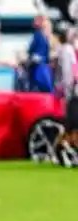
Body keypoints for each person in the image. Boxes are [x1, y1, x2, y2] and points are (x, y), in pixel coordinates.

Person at [57, 27, 77, 164]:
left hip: (73, 92)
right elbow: (67, 74)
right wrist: (68, 90)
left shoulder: (69, 50)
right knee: (72, 125)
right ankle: (62, 150)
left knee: (72, 126)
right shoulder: (67, 50)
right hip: (73, 93)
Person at [26, 14, 54, 93]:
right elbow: (33, 51)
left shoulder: (41, 36)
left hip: (41, 66)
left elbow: (31, 49)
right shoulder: (39, 35)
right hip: (40, 67)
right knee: (46, 89)